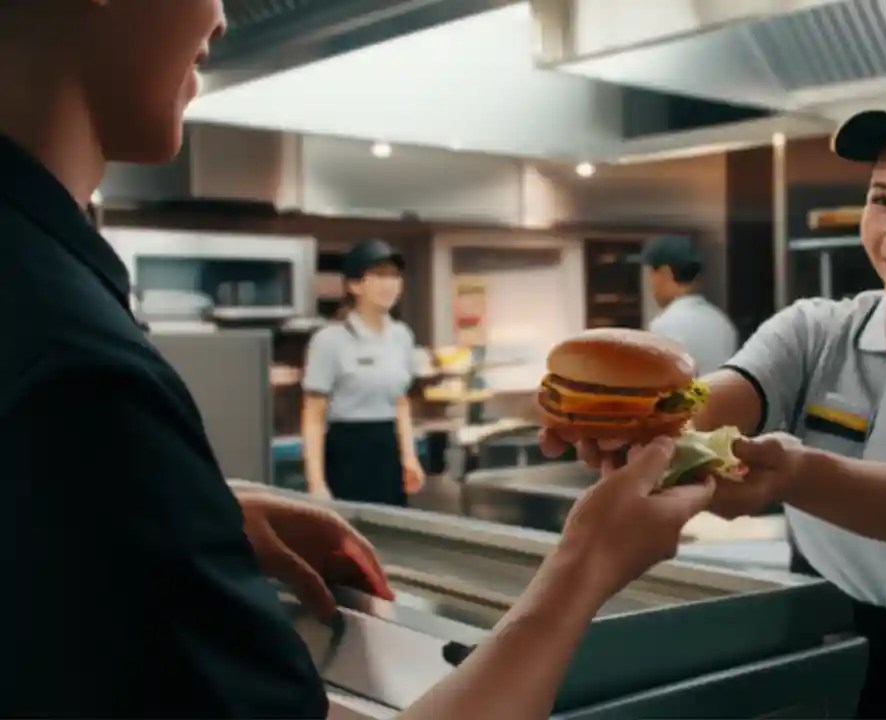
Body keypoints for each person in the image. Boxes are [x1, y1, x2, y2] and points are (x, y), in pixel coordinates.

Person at [0, 2, 713, 718]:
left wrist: (191, 512)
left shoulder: (44, 312)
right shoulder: (77, 370)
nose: (221, 19)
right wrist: (586, 569)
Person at [544, 78, 886, 718]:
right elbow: (719, 396)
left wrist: (796, 476)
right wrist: (631, 419)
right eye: (882, 198)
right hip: (810, 645)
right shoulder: (815, 330)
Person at [302, 239, 426, 506]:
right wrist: (316, 483)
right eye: (379, 275)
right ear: (354, 284)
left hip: (388, 450)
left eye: (394, 276)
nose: (390, 283)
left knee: (391, 538)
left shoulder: (402, 336)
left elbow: (401, 402)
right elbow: (313, 416)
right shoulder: (329, 340)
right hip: (347, 452)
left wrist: (408, 456)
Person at [642, 235, 739, 375]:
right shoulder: (722, 323)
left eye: (652, 274)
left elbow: (663, 385)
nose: (652, 284)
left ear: (665, 273)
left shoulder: (664, 326)